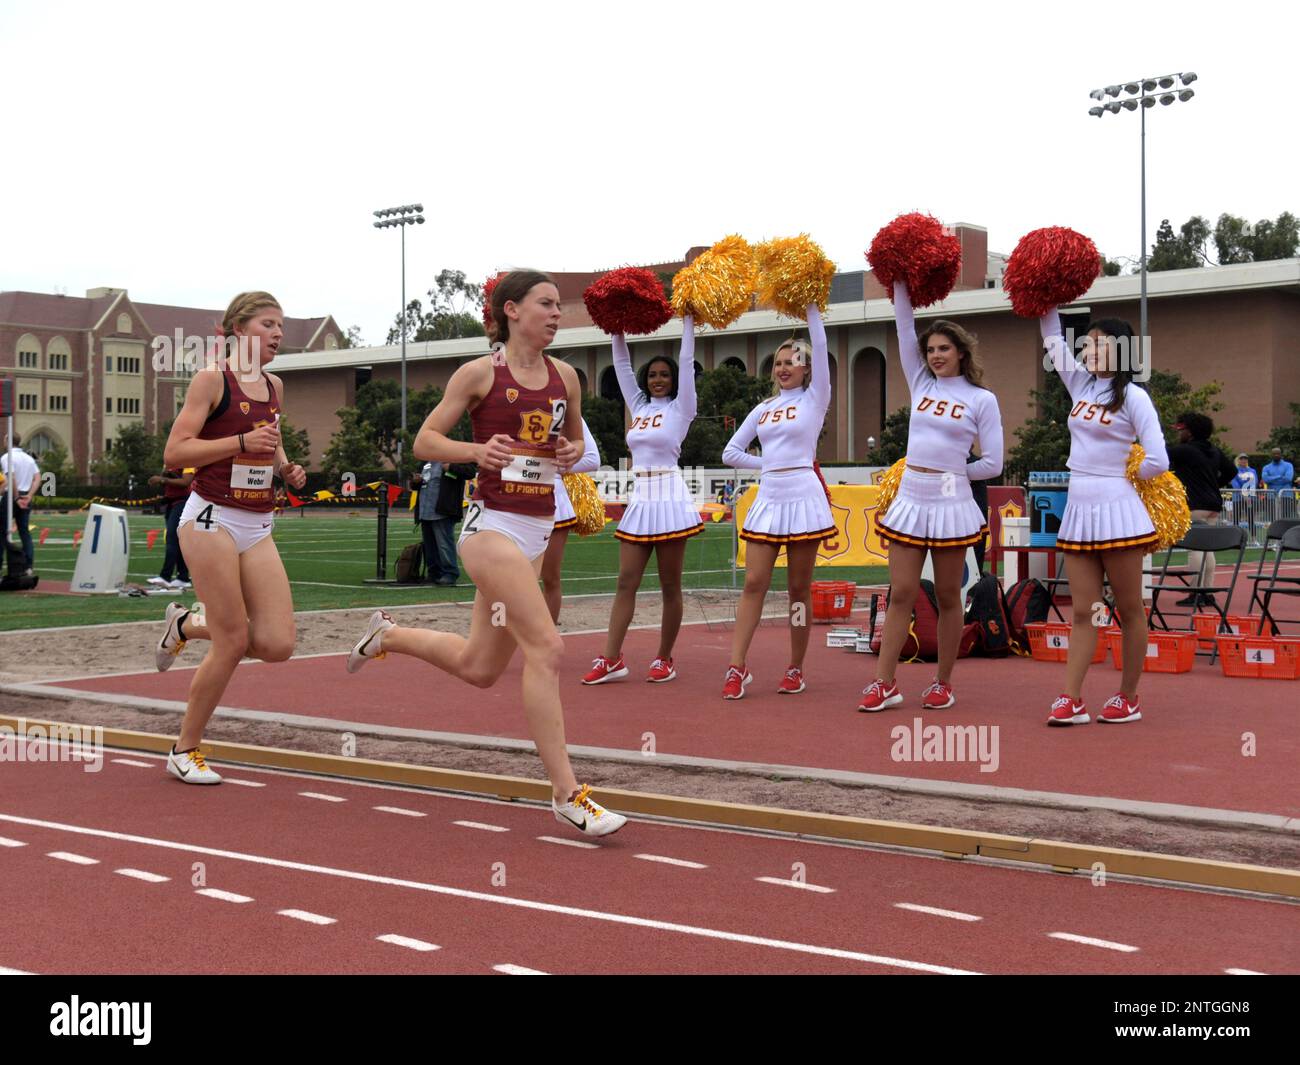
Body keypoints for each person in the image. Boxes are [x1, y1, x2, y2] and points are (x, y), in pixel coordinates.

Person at [345, 270, 626, 837]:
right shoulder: (479, 373)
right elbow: (424, 442)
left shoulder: (566, 378)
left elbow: (576, 449)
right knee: (547, 646)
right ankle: (568, 794)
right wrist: (477, 450)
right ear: (511, 310)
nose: (556, 314)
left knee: (480, 667)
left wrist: (570, 450)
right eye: (546, 304)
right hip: (489, 529)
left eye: (559, 306)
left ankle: (388, 636)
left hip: (537, 530)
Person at [152, 292, 308, 783]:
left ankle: (183, 626)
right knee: (235, 639)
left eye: (281, 325)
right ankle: (184, 749)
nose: (278, 334)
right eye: (268, 324)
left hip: (258, 523)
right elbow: (175, 453)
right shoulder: (211, 380)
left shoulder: (275, 385)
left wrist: (286, 468)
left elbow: (273, 434)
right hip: (209, 519)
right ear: (239, 330)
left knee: (278, 643)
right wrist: (239, 442)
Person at [859, 282, 1003, 713]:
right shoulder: (921, 383)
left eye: (944, 348)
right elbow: (904, 330)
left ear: (961, 352)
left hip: (951, 503)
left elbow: (993, 463)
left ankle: (943, 682)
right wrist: (900, 285)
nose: (936, 355)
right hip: (910, 498)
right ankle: (885, 682)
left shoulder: (982, 399)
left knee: (946, 595)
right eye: (931, 349)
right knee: (900, 591)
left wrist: (955, 476)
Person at [1039, 312, 1167, 726]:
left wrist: (1124, 475)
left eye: (1100, 344)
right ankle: (1071, 698)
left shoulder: (1133, 396)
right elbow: (1052, 338)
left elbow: (1159, 460)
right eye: (1088, 344)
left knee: (1129, 609)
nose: (1090, 351)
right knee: (1085, 610)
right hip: (1078, 511)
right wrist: (1046, 297)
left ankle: (1128, 696)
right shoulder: (1080, 385)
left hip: (1118, 512)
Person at [721, 306, 833, 699]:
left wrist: (812, 309)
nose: (784, 368)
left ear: (807, 369)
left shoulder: (815, 398)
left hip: (804, 496)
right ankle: (737, 666)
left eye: (793, 362)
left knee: (799, 589)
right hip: (769, 497)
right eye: (779, 362)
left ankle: (795, 667)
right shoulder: (763, 409)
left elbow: (819, 344)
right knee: (754, 583)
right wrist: (767, 463)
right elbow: (731, 452)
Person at [583, 317, 701, 684]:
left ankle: (665, 658)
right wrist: (617, 325)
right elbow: (621, 366)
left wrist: (688, 322)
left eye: (664, 374)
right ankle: (611, 658)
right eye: (652, 375)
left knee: (670, 585)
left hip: (669, 497)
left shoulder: (682, 408)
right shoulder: (639, 407)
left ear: (675, 378)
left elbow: (687, 356)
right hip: (641, 497)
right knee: (625, 581)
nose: (658, 379)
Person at [1168, 412, 1234, 606]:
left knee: (1195, 548)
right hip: (1213, 503)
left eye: (1182, 430)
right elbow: (1232, 470)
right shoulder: (1214, 450)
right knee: (1207, 549)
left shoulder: (1184, 451)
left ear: (1190, 432)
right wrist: (1215, 484)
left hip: (1195, 504)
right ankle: (1207, 591)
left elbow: (1157, 457)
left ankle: (1196, 592)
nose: (1179, 434)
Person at [541, 415, 599, 621]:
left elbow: (593, 459)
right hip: (516, 493)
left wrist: (552, 468)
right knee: (514, 575)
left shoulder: (567, 413)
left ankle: (546, 635)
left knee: (549, 576)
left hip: (553, 498)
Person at [147, 466, 196, 589]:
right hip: (172, 503)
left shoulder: (187, 460)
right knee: (178, 542)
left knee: (172, 539)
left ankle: (165, 576)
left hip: (182, 503)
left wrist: (163, 479)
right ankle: (183, 577)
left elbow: (186, 482)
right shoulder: (171, 462)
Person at [413, 460, 459, 586]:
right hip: (424, 511)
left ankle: (450, 573)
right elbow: (416, 486)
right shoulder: (424, 462)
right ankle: (434, 573)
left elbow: (469, 472)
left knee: (444, 545)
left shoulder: (453, 457)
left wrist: (451, 466)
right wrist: (415, 481)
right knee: (430, 546)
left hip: (442, 511)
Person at [0, 432, 39, 573]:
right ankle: (28, 566)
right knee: (24, 532)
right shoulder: (28, 459)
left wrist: (16, 498)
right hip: (24, 495)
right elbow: (37, 478)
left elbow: (11, 477)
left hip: (12, 495)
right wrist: (28, 495)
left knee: (2, 531)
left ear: (7, 441)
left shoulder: (7, 457)